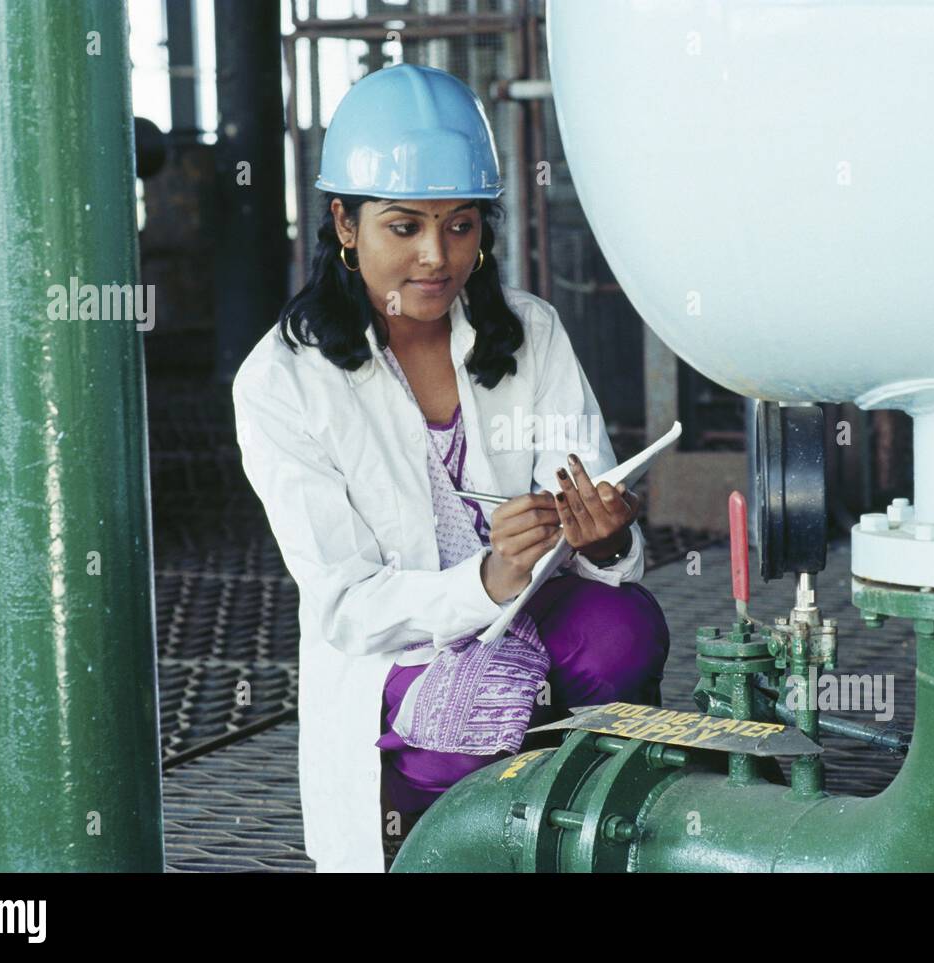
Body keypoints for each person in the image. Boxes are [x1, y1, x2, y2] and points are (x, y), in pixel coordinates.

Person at [232, 64, 670, 873]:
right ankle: (469, 842)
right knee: (480, 709)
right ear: (344, 223)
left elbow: (591, 502)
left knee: (626, 630)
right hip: (400, 650)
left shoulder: (531, 331)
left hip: (531, 609)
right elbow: (347, 605)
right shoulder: (281, 383)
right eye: (404, 227)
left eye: (461, 226)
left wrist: (603, 538)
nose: (436, 257)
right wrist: (488, 578)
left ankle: (585, 833)